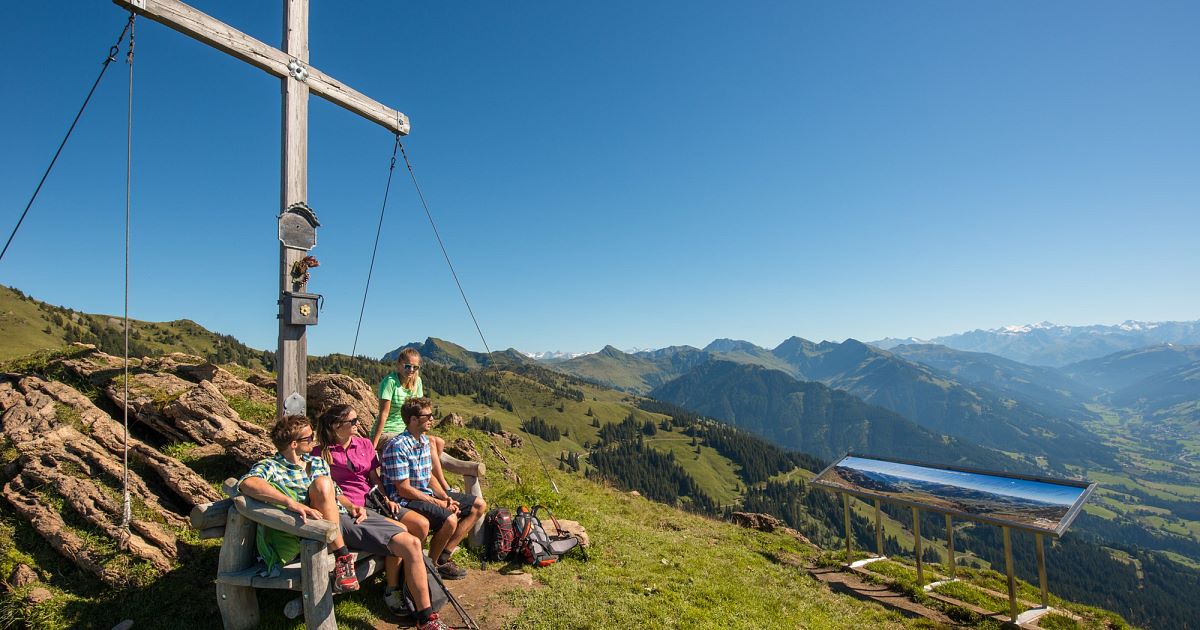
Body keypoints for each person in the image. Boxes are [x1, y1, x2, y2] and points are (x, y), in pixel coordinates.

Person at [239, 414, 449, 630]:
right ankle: (343, 559)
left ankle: (426, 619)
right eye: (309, 437)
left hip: (344, 518)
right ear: (294, 444)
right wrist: (291, 503)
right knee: (321, 484)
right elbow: (248, 483)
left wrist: (352, 507)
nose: (313, 440)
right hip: (315, 527)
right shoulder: (272, 466)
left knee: (411, 543)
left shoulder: (316, 461)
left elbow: (336, 492)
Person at [313, 404, 432, 615]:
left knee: (421, 525)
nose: (359, 424)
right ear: (336, 426)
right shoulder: (320, 453)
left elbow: (373, 477)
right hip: (351, 507)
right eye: (353, 421)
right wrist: (350, 506)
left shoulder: (364, 444)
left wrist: (386, 498)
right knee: (403, 532)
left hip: (374, 500)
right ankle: (393, 587)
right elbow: (327, 489)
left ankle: (403, 577)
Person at [382, 397, 487, 580]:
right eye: (427, 415)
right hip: (406, 500)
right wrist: (438, 502)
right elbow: (403, 490)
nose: (432, 419)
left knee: (478, 505)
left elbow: (427, 476)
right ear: (413, 420)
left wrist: (445, 497)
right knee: (450, 519)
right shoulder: (398, 447)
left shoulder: (423, 441)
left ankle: (443, 556)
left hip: (424, 494)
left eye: (432, 415)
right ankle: (431, 566)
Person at [373, 348, 454, 496]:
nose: (411, 370)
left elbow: (420, 409)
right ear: (399, 364)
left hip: (408, 430)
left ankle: (424, 481)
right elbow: (383, 414)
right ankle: (445, 488)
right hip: (389, 430)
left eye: (415, 367)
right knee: (430, 443)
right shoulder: (390, 382)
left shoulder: (417, 382)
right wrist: (372, 445)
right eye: (407, 366)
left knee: (439, 442)